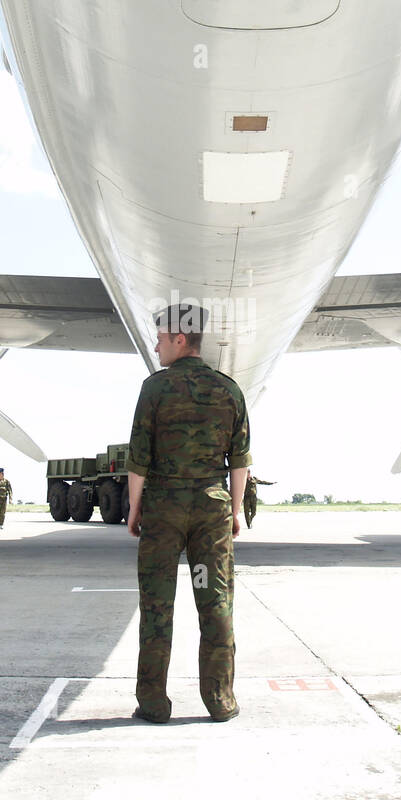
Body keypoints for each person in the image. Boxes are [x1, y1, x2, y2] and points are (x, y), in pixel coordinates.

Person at [125, 303, 250, 724]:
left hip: (163, 510)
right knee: (215, 602)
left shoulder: (154, 389)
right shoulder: (229, 389)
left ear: (180, 338)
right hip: (212, 511)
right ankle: (220, 700)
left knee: (157, 606)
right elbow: (240, 460)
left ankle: (154, 703)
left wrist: (135, 509)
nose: (157, 346)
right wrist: (234, 512)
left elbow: (138, 458)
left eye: (161, 338)